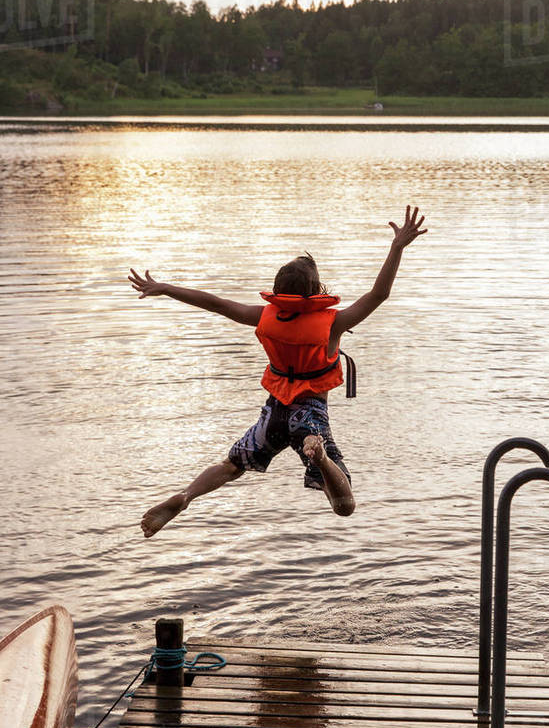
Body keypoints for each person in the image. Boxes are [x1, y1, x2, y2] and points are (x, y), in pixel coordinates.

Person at [128, 206, 427, 538]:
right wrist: (396, 247)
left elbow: (215, 303)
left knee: (231, 467)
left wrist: (166, 287)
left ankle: (186, 496)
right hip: (309, 416)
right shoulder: (334, 325)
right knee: (344, 506)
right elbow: (378, 294)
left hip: (275, 412)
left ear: (279, 291)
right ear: (315, 294)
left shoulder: (263, 316)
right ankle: (322, 458)